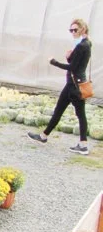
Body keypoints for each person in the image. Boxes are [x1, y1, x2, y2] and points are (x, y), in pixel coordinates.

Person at [28, 18, 93, 154]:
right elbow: (77, 64)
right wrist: (69, 56)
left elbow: (73, 67)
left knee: (78, 114)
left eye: (75, 30)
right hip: (75, 83)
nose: (73, 32)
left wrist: (54, 62)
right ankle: (44, 136)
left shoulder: (82, 46)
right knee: (63, 111)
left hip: (74, 86)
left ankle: (83, 145)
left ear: (82, 29)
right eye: (71, 30)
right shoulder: (85, 44)